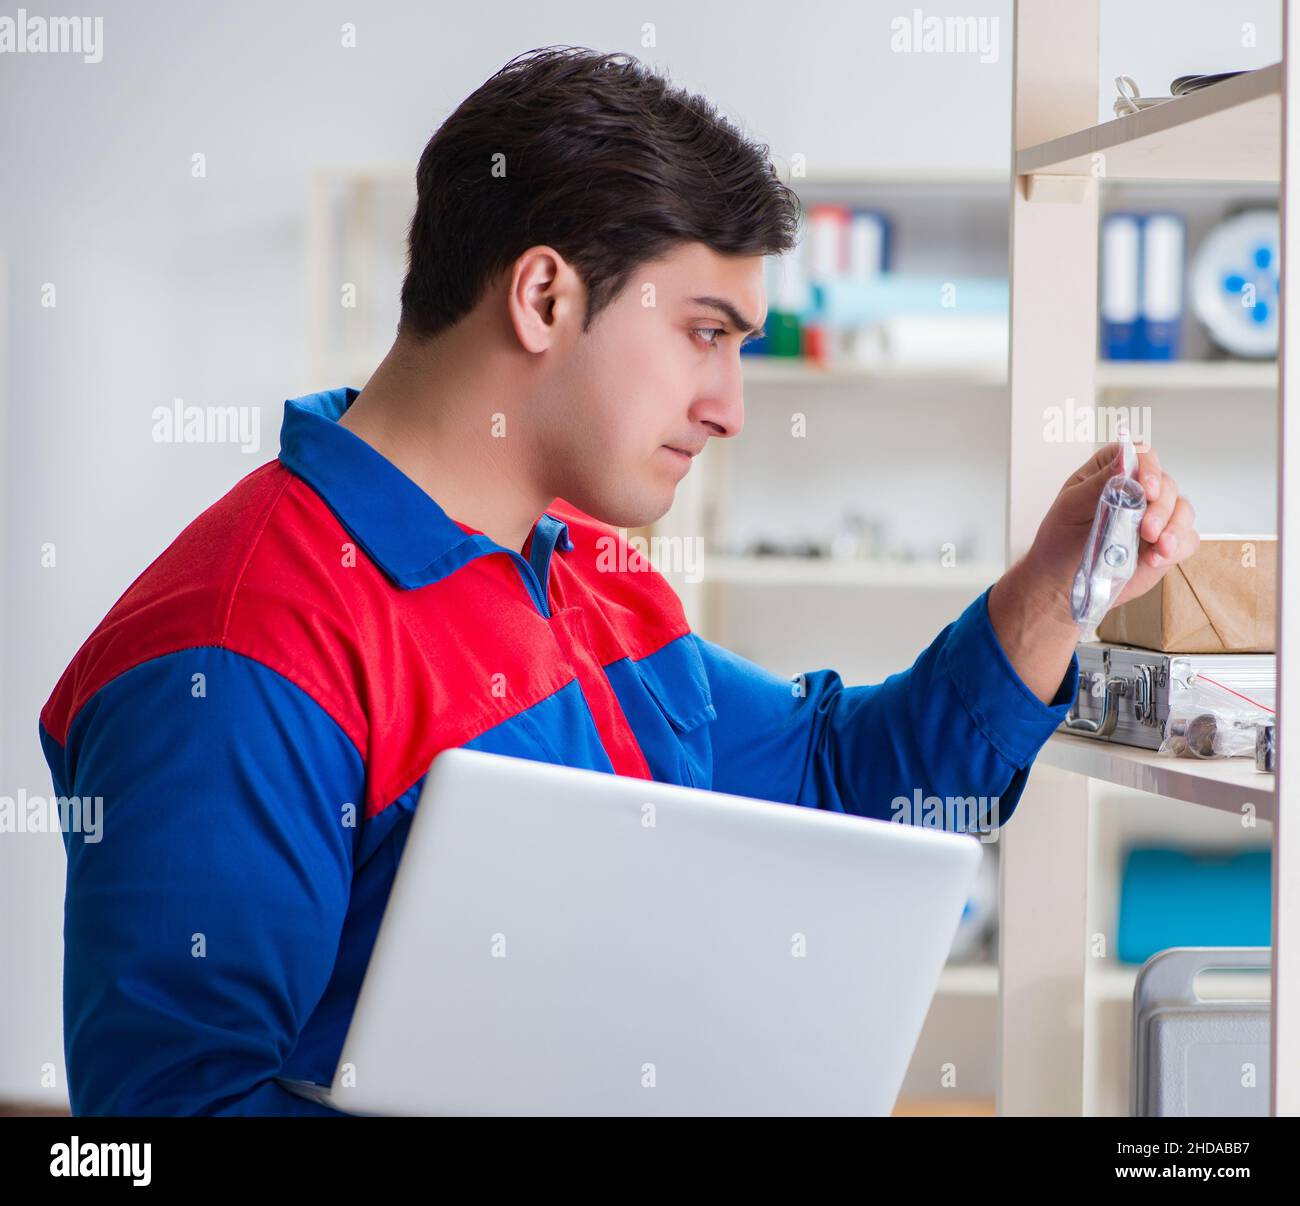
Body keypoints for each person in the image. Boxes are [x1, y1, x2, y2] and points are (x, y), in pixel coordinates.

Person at [39, 45, 1199, 1116]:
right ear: (544, 298)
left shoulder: (590, 576)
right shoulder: (239, 650)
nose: (731, 408)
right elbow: (172, 1117)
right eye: (705, 333)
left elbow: (840, 781)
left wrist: (1056, 582)